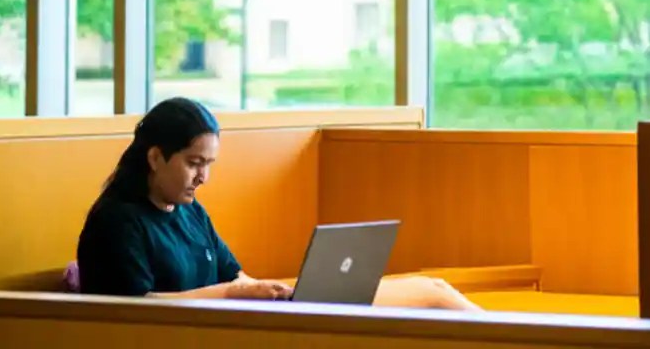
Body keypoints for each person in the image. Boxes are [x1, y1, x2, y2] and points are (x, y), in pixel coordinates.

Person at [76, 97, 479, 310]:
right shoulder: (117, 221)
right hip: (194, 335)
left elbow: (235, 276)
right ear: (155, 157)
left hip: (239, 324)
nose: (203, 178)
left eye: (209, 164)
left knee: (434, 290)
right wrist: (234, 296)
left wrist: (264, 291)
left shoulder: (190, 212)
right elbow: (136, 310)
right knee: (432, 297)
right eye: (193, 163)